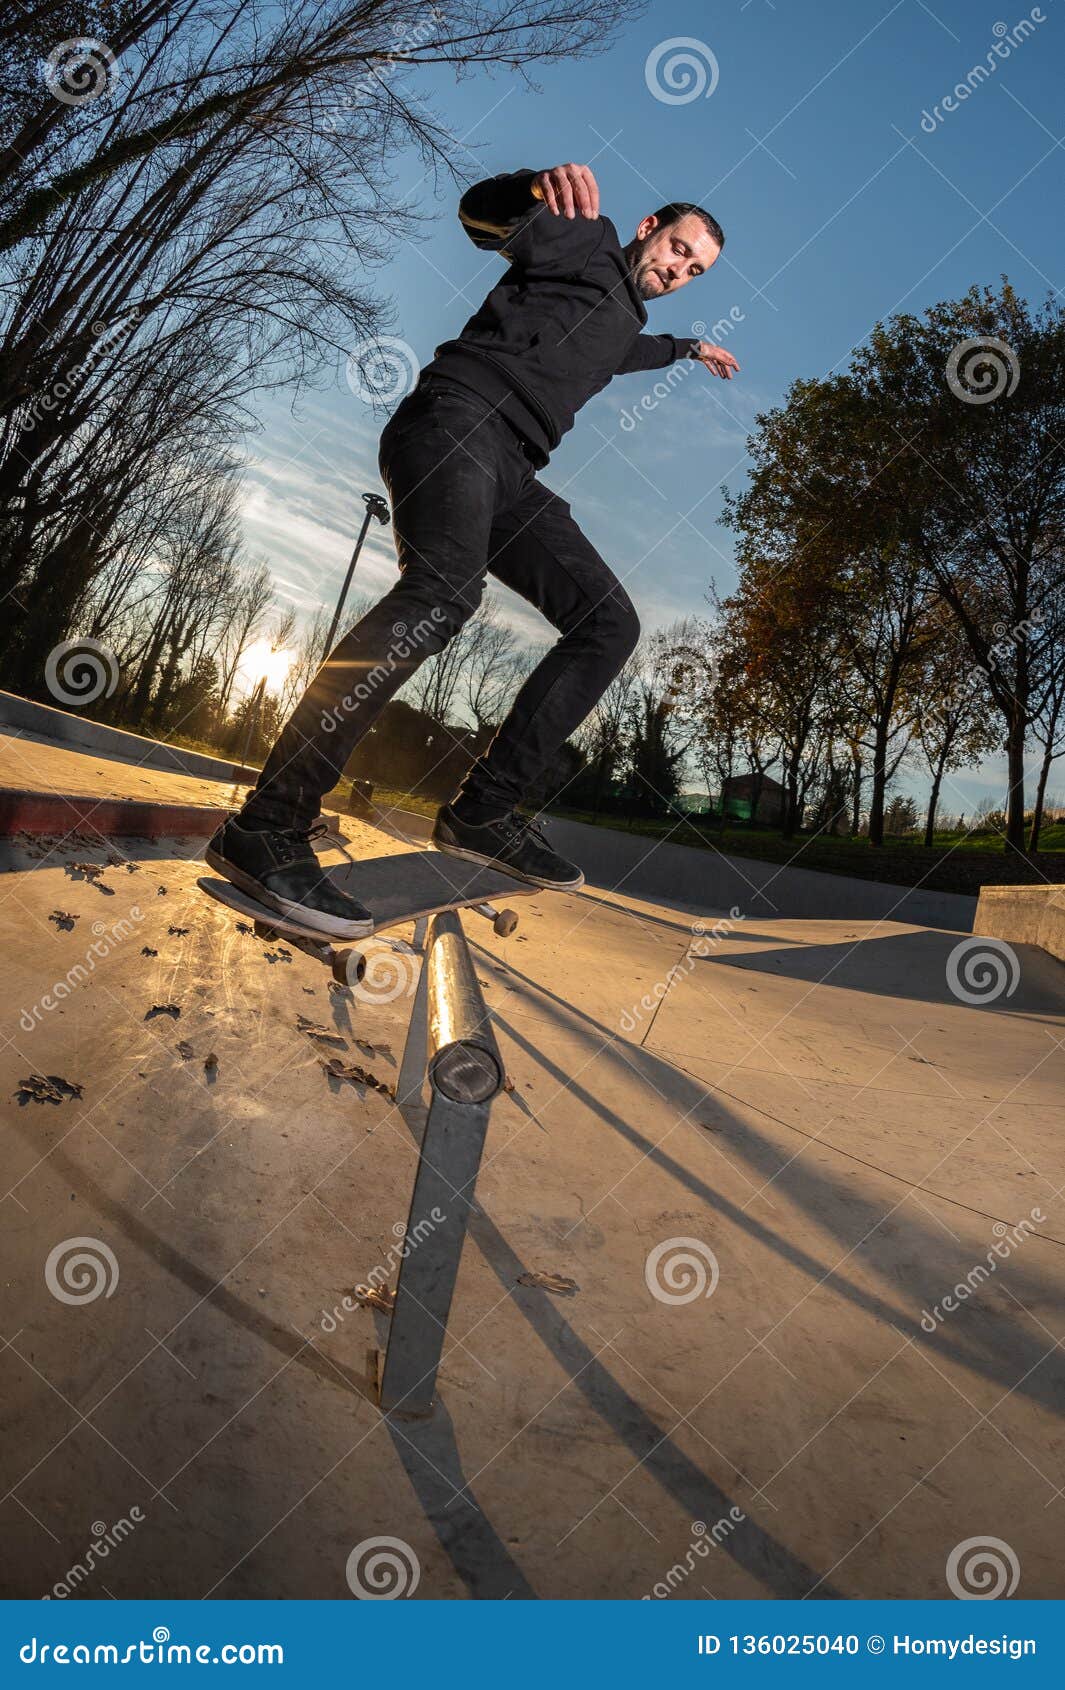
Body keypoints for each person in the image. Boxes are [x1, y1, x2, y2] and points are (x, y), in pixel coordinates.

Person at [207, 162, 738, 937]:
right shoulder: (582, 243)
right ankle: (269, 822)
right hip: (455, 421)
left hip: (513, 474)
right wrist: (527, 190)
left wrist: (689, 349)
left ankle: (483, 812)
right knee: (442, 595)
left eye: (694, 271)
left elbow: (631, 350)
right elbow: (483, 216)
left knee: (607, 624)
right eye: (676, 249)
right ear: (647, 228)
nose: (677, 270)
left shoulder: (623, 319)